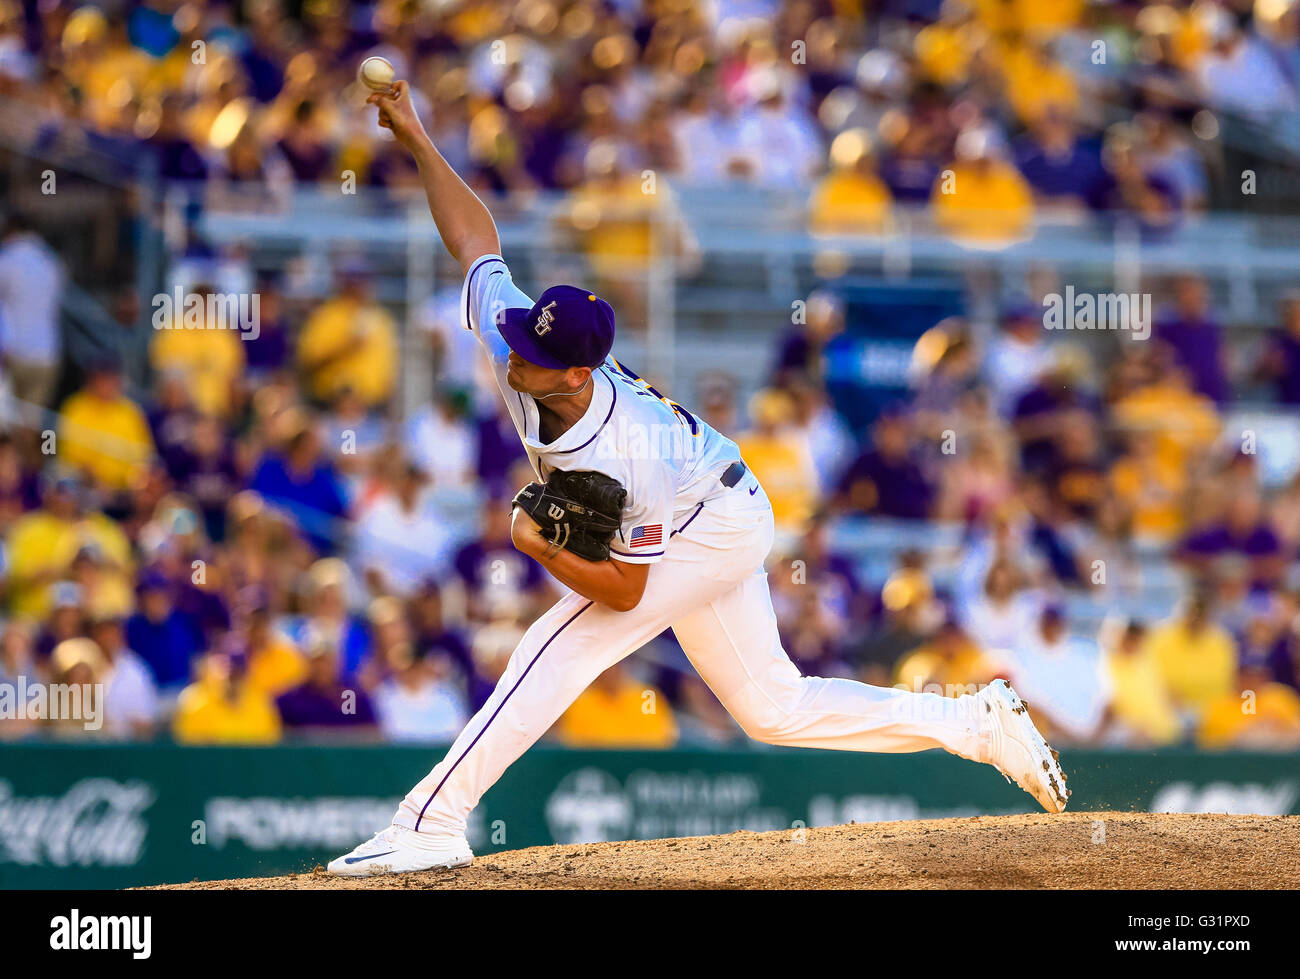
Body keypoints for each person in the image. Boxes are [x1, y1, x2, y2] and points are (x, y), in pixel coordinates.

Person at [328, 78, 1069, 877]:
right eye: (519, 339)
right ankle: (975, 723)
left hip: (710, 517)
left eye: (535, 357)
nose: (513, 355)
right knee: (772, 707)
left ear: (578, 372)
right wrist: (414, 134)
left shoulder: (625, 446)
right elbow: (478, 243)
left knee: (557, 644)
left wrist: (536, 546)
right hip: (708, 494)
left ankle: (430, 821)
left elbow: (624, 593)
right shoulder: (520, 336)